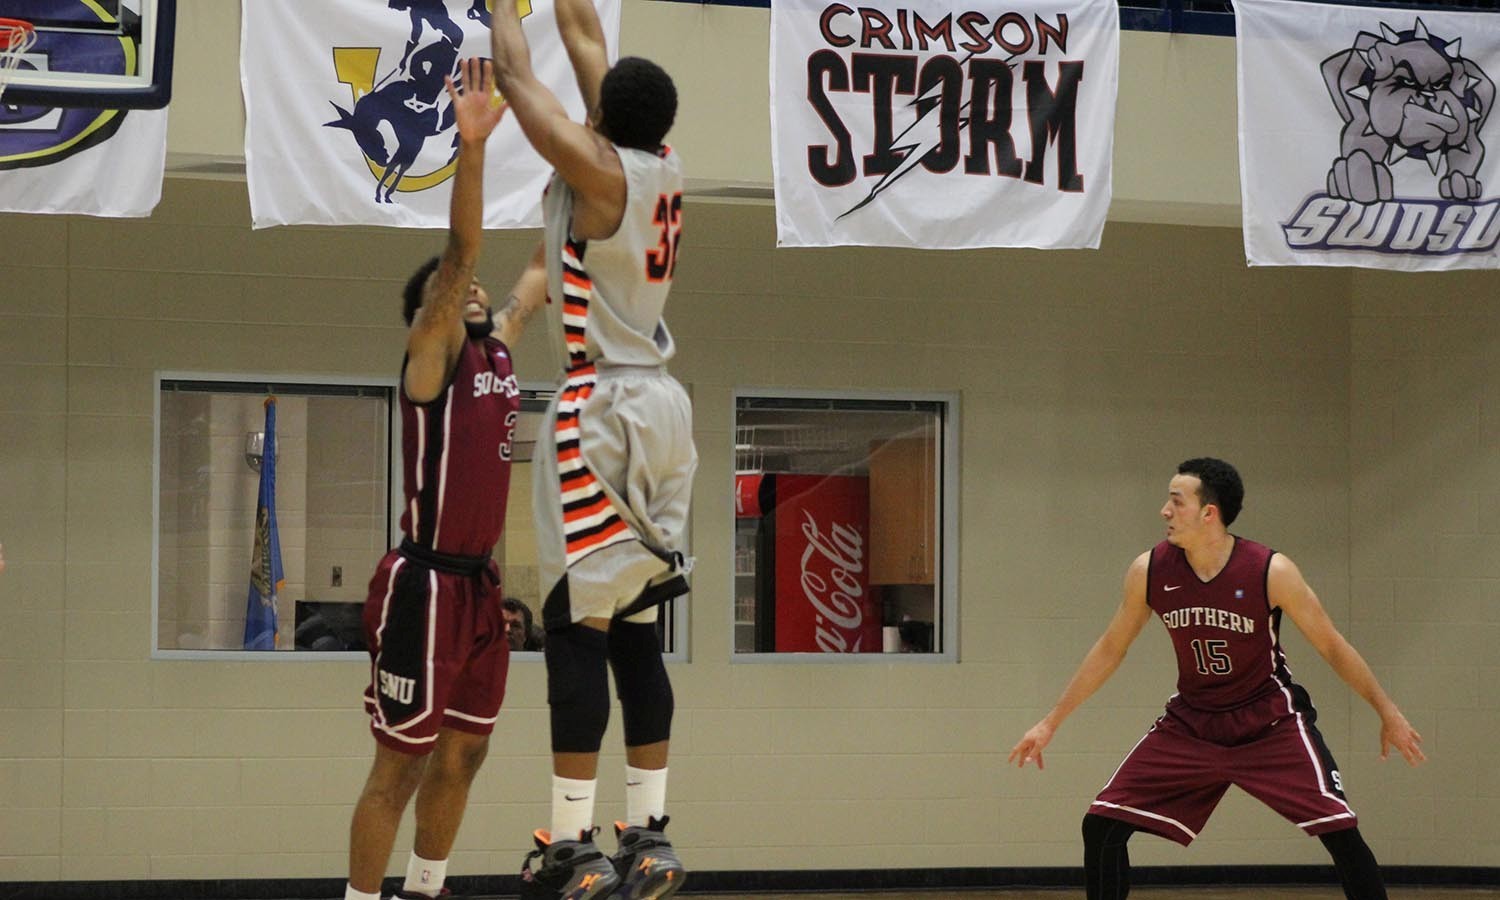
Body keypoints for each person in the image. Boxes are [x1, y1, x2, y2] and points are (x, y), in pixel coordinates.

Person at [1010, 457, 1426, 900]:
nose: (1165, 512)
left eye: (1176, 501)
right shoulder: (1149, 570)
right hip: (1193, 723)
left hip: (1270, 721)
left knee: (1340, 831)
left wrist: (1388, 712)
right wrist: (1051, 721)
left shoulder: (1271, 570)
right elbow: (1112, 648)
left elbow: (1332, 645)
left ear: (1209, 513)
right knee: (1102, 825)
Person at [489, 3, 695, 898]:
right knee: (638, 631)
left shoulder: (599, 172)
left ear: (605, 117)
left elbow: (518, 82)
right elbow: (583, 43)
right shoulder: (659, 164)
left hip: (601, 405)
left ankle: (571, 841)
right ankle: (649, 834)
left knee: (574, 629)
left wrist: (502, 8)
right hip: (661, 408)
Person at [343, 57, 548, 900]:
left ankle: (427, 891)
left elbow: (540, 272)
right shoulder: (431, 358)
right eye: (453, 288)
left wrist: (602, 158)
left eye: (470, 290)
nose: (471, 288)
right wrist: (472, 149)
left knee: (468, 751)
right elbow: (463, 250)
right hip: (421, 584)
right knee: (400, 764)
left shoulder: (497, 346)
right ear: (432, 307)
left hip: (478, 587)